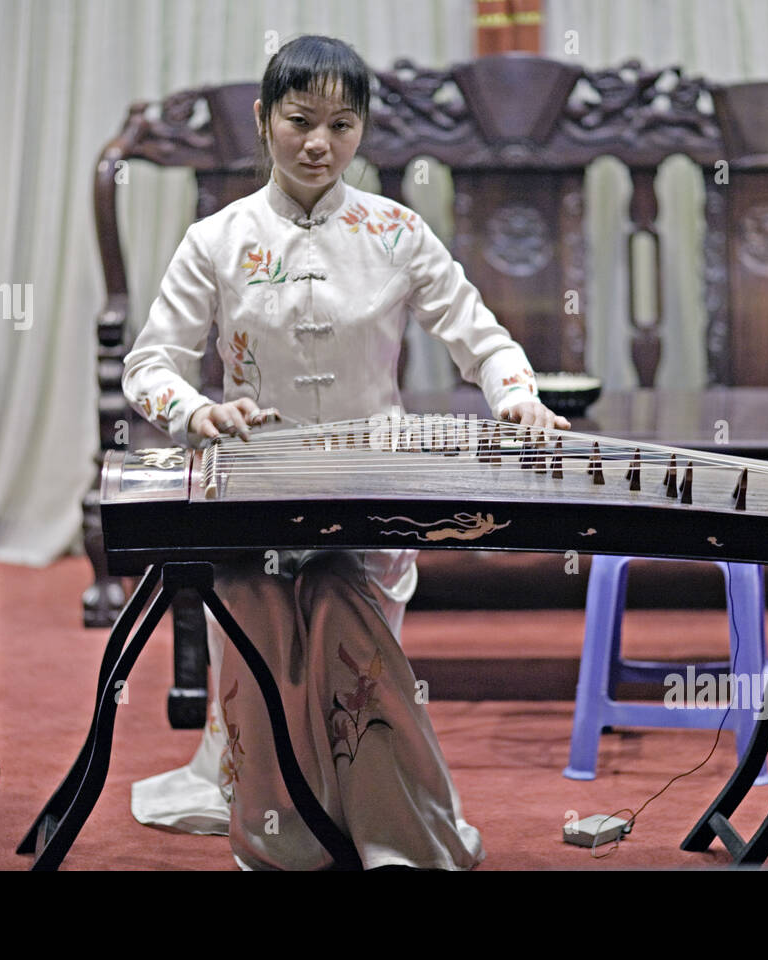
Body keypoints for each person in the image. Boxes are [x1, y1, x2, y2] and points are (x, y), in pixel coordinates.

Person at [122, 34, 569, 870]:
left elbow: (482, 338)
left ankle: (383, 835)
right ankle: (282, 837)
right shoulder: (218, 240)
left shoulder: (395, 231)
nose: (319, 143)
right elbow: (149, 367)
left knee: (361, 680)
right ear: (263, 120)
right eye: (299, 121)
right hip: (253, 487)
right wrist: (196, 413)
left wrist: (519, 398)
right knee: (259, 658)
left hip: (373, 486)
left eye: (341, 124)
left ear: (363, 130)